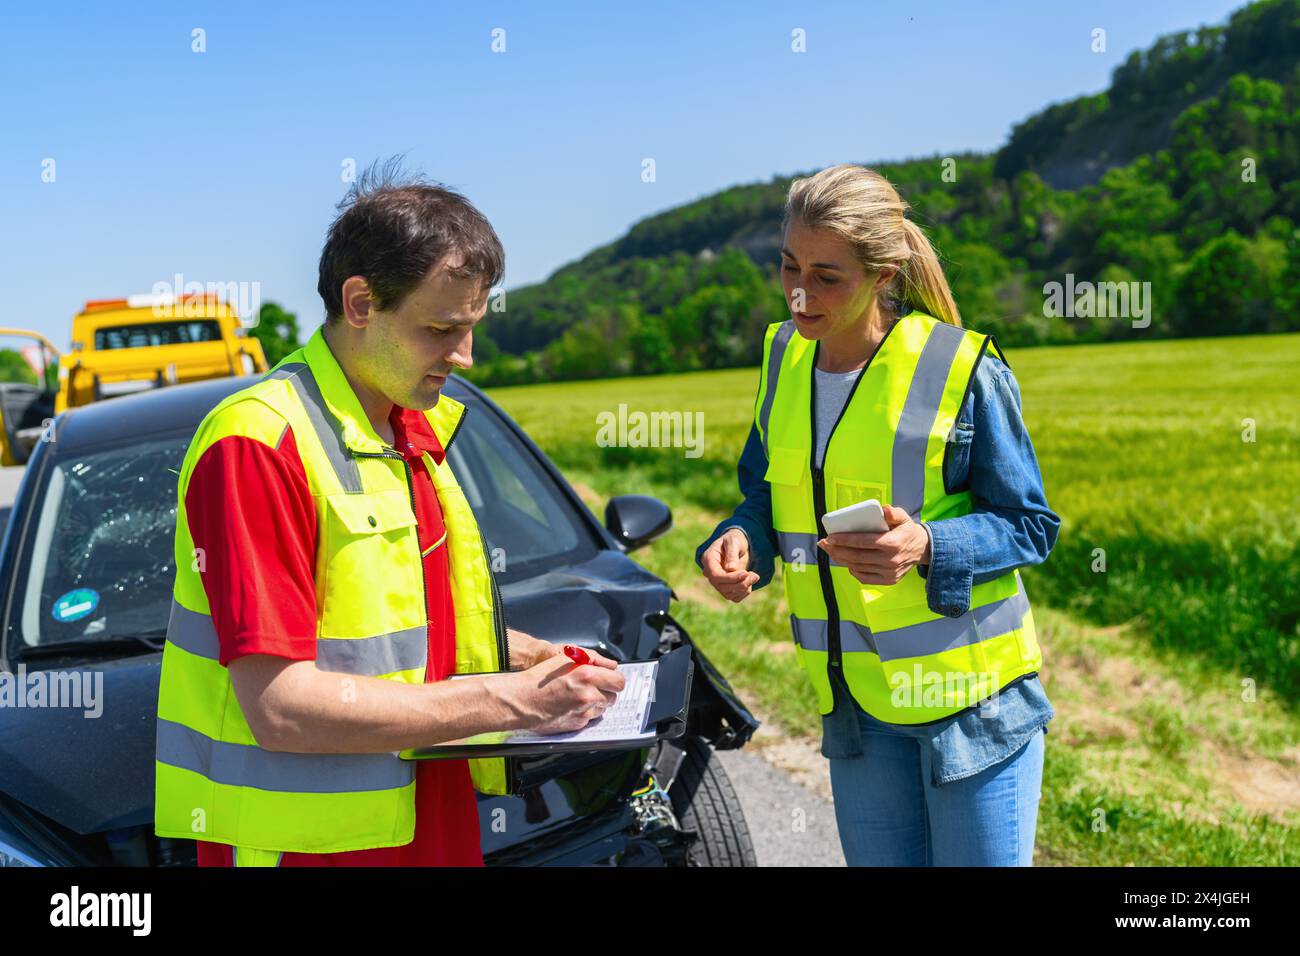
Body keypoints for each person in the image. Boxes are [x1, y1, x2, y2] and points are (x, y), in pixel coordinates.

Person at [154, 160, 625, 867]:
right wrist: (513, 702)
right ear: (360, 302)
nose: (464, 355)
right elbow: (279, 706)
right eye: (441, 328)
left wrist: (531, 659)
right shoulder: (257, 445)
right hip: (306, 849)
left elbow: (402, 630)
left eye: (470, 327)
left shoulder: (407, 428)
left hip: (421, 820)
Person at [696, 164, 1060, 866]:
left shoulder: (963, 369)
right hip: (856, 705)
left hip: (972, 704)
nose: (801, 293)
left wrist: (927, 543)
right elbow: (768, 492)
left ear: (883, 273)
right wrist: (740, 538)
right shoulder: (782, 359)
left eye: (827, 277)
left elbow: (1029, 524)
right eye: (788, 266)